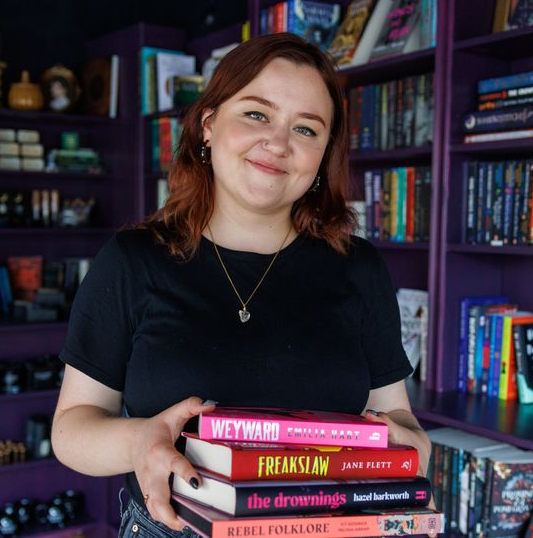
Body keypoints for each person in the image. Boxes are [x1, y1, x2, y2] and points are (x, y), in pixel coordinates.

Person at [51, 32, 433, 538]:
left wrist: (412, 448)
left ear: (323, 156)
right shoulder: (133, 261)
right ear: (209, 125)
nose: (278, 143)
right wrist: (140, 439)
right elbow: (72, 428)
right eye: (257, 114)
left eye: (306, 129)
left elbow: (397, 419)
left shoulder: (359, 268)